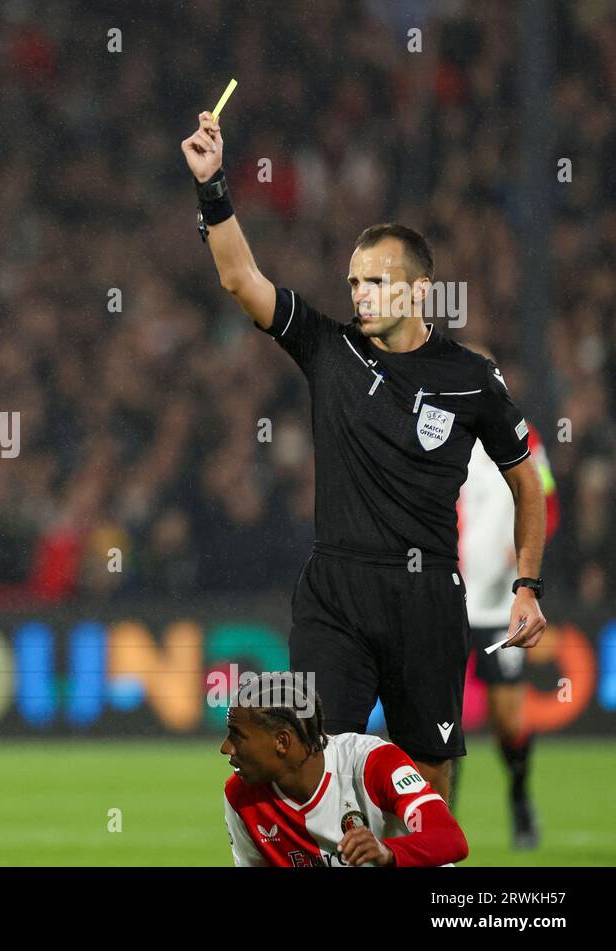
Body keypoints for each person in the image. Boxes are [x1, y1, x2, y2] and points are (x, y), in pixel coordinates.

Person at [181, 111, 548, 801]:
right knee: (307, 769)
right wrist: (212, 188)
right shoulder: (330, 348)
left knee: (427, 782)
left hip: (428, 599)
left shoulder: (472, 378)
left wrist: (527, 585)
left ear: (417, 291)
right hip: (336, 594)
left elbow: (525, 482)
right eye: (353, 283)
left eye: (375, 283)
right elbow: (241, 279)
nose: (358, 295)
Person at [456, 348, 559, 848]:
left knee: (507, 717)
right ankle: (436, 825)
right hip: (445, 598)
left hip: (500, 604)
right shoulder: (437, 430)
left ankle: (519, 798)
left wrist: (522, 562)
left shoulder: (524, 436)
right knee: (438, 719)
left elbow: (547, 504)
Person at [221, 684, 469, 867]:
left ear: (282, 742)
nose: (226, 748)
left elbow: (450, 839)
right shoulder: (241, 796)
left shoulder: (373, 762)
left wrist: (387, 852)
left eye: (237, 735)